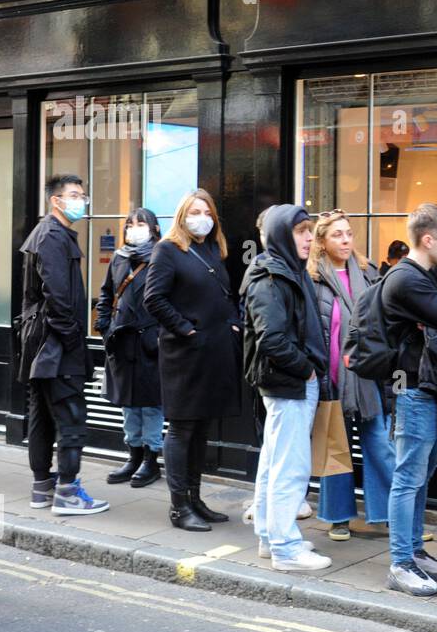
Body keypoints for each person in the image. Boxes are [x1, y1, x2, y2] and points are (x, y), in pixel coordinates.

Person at [381, 204, 437, 596]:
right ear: (428, 239)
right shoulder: (407, 279)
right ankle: (400, 563)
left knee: (421, 477)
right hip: (412, 389)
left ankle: (415, 551)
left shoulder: (425, 276)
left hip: (428, 388)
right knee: (408, 478)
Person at [144, 189, 242, 531]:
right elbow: (153, 299)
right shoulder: (167, 250)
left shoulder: (212, 249)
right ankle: (179, 506)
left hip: (214, 351)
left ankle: (195, 499)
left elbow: (225, 295)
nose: (202, 218)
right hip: (184, 354)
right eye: (195, 212)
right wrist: (186, 329)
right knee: (182, 428)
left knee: (201, 428)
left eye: (207, 212)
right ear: (182, 216)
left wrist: (233, 322)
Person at [242, 205, 332, 570]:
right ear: (281, 234)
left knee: (274, 461)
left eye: (310, 230)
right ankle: (285, 547)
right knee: (290, 466)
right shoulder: (271, 277)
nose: (310, 238)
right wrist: (306, 370)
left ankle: (270, 536)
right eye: (301, 231)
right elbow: (272, 340)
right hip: (289, 383)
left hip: (288, 382)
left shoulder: (287, 270)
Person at [18, 174, 107, 515]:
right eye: (74, 195)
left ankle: (42, 487)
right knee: (71, 417)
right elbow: (57, 296)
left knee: (41, 416)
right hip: (54, 345)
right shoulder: (53, 236)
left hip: (40, 343)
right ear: (56, 200)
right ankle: (68, 492)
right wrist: (72, 340)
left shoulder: (47, 233)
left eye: (82, 195)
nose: (81, 201)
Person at [308, 211, 393, 541]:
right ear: (322, 241)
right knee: (336, 448)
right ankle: (338, 518)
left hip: (368, 375)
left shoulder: (368, 272)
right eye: (337, 235)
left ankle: (391, 515)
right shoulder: (313, 278)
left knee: (380, 444)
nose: (345, 240)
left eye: (348, 234)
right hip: (332, 378)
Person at [95, 208, 163, 488]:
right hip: (122, 342)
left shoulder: (162, 257)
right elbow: (106, 293)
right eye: (130, 224)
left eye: (141, 224)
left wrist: (160, 335)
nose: (135, 229)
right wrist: (104, 327)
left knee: (151, 405)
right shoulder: (119, 257)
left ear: (154, 228)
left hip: (150, 343)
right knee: (129, 404)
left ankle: (151, 459)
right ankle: (133, 456)